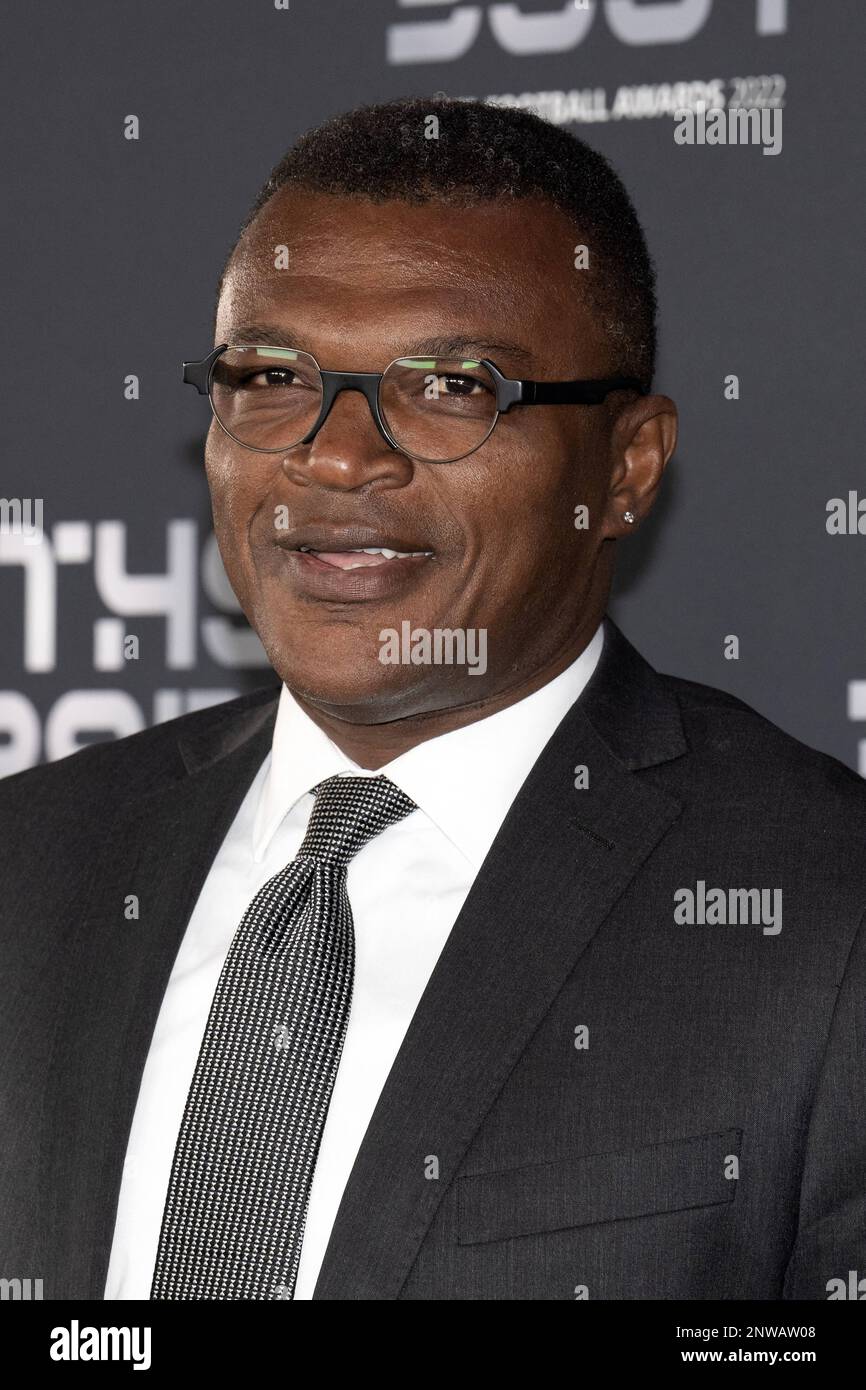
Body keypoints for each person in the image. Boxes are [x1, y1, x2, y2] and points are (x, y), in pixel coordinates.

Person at [1, 97, 864, 1302]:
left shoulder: (822, 913)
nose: (337, 455)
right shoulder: (33, 862)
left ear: (624, 467)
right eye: (271, 374)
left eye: (452, 385)